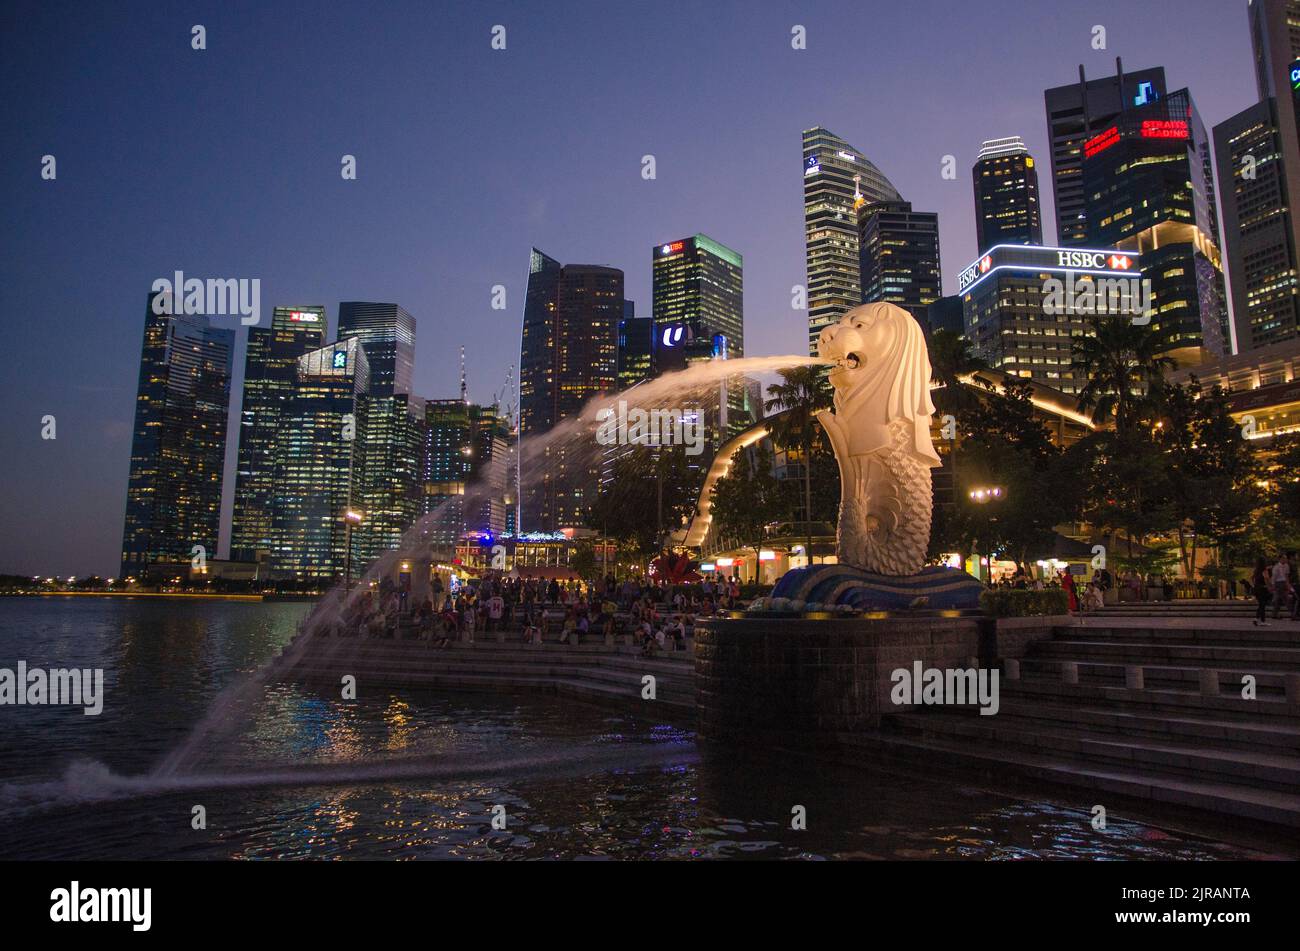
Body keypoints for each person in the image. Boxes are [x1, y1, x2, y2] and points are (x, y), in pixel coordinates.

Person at [1253, 557, 1272, 626]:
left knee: (1261, 604)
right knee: (1262, 605)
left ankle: (1256, 618)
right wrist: (1270, 586)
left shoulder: (1256, 570)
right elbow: (1267, 579)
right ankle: (1262, 621)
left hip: (1256, 589)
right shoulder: (1264, 570)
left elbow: (1253, 579)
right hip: (1263, 589)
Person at [1271, 554, 1291, 619]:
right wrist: (1273, 585)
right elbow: (1274, 577)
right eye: (1284, 558)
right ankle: (1293, 613)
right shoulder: (1276, 567)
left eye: (1286, 558)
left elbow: (1287, 576)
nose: (1285, 559)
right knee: (1283, 599)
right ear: (1280, 559)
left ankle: (1275, 614)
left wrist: (1288, 584)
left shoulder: (1286, 566)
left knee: (1281, 599)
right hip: (1278, 583)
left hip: (1284, 583)